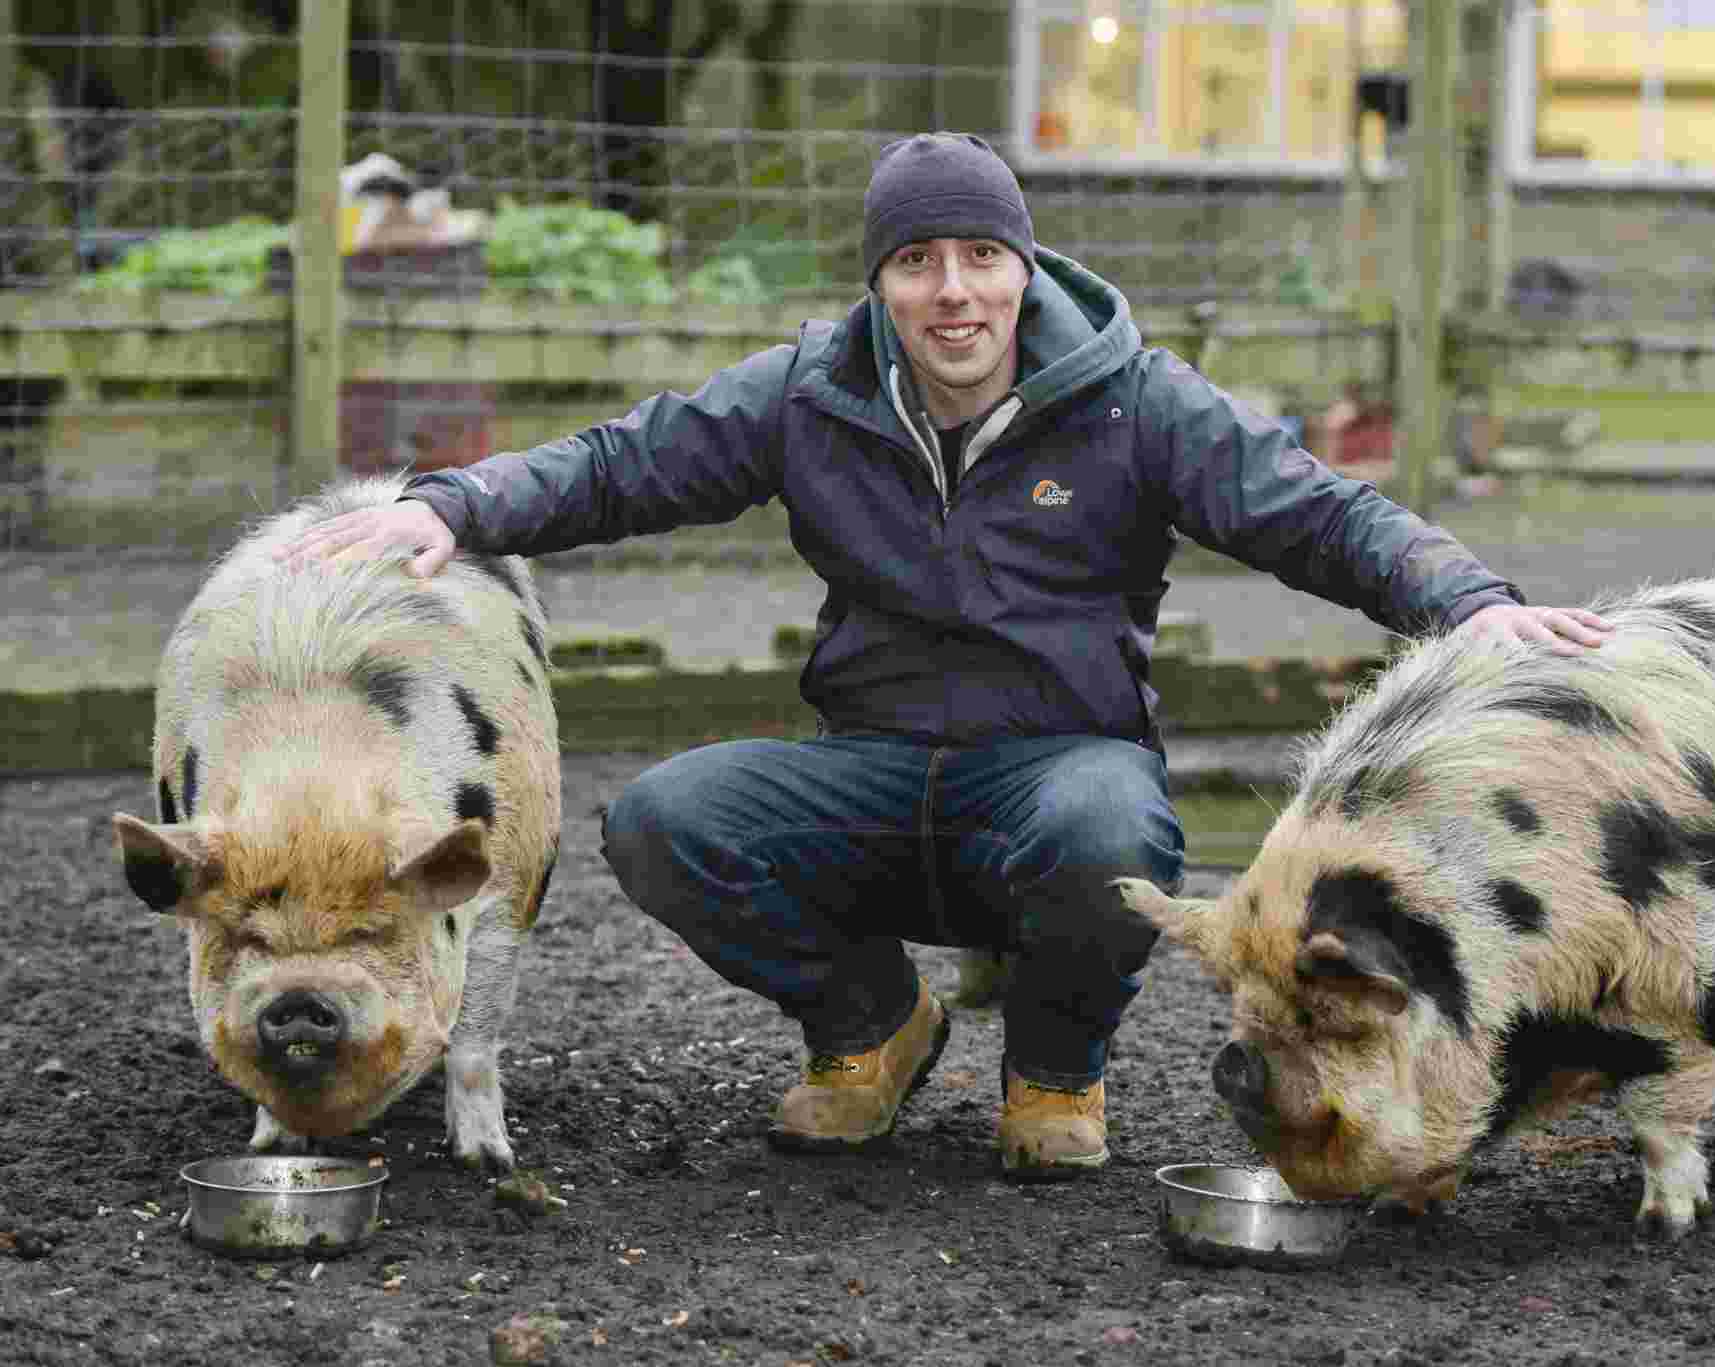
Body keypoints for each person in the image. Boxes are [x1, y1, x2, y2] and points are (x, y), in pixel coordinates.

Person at [278, 132, 1613, 1181]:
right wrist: (447, 507)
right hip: (870, 768)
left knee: (1111, 825)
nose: (953, 289)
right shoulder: (811, 392)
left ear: (1024, 266)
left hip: (1052, 771)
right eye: (917, 262)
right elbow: (624, 464)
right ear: (880, 284)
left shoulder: (1135, 400)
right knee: (663, 823)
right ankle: (870, 1032)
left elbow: (1319, 512)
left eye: (981, 254)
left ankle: (1055, 1072)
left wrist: (1469, 602)